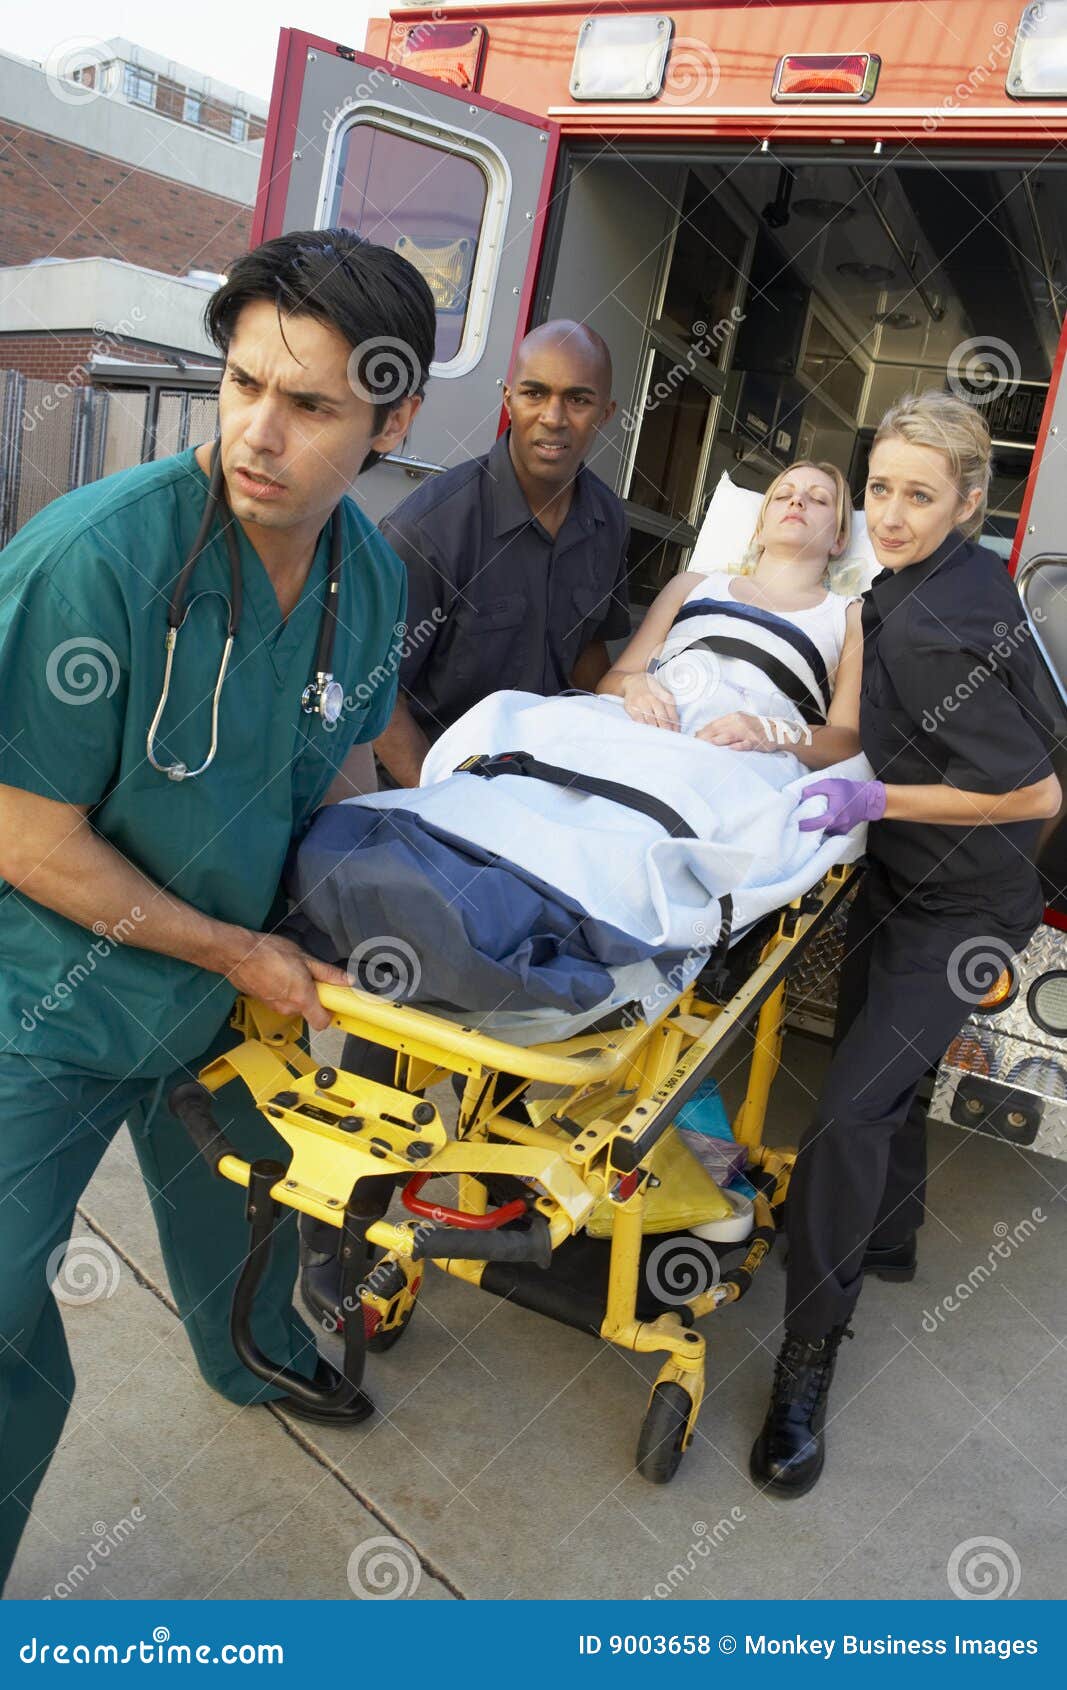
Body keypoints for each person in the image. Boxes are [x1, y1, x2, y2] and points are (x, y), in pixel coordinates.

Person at [0, 228, 437, 1590]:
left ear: (391, 414)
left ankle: (251, 1356)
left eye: (309, 406)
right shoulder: (97, 561)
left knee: (247, 1203)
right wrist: (236, 947)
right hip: (42, 1005)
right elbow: (25, 829)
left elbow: (344, 756)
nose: (258, 431)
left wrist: (361, 914)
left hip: (220, 1006)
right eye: (241, 383)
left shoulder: (366, 582)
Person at [750, 390, 1062, 1499]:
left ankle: (803, 1360)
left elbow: (1030, 788)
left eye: (916, 496)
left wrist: (871, 796)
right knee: (884, 1067)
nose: (886, 513)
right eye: (878, 489)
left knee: (846, 1108)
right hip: (908, 878)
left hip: (965, 907)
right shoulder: (913, 587)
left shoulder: (943, 622)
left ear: (970, 502)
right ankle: (884, 1239)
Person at [372, 318, 632, 787]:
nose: (553, 417)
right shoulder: (427, 529)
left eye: (578, 399)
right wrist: (439, 801)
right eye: (534, 393)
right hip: (430, 787)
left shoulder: (608, 519)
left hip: (540, 779)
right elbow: (375, 693)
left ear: (605, 413)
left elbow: (589, 650)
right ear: (508, 398)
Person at [597, 459, 863, 766]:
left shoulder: (848, 617)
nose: (797, 500)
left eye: (818, 499)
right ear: (759, 532)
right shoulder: (691, 586)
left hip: (739, 765)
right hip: (640, 737)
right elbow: (612, 680)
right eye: (782, 495)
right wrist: (634, 685)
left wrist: (769, 733)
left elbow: (846, 740)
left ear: (839, 540)